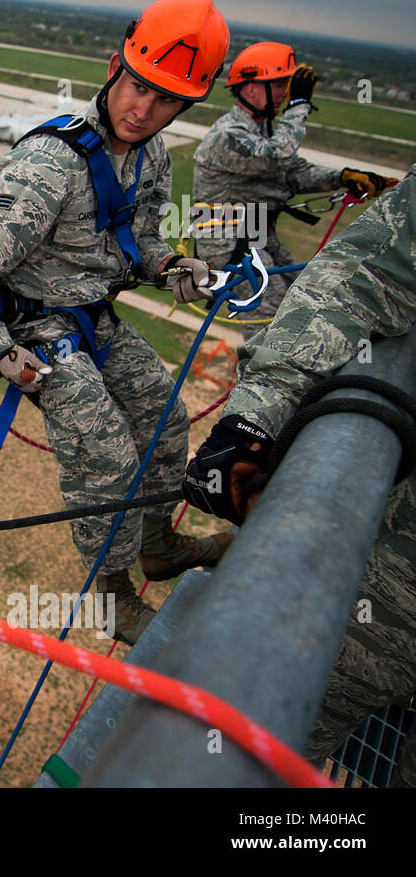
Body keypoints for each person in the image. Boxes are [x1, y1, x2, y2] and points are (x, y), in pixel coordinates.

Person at [0, 0, 234, 643]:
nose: (143, 109)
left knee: (166, 421)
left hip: (92, 321)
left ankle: (158, 547)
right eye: (138, 87)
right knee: (105, 453)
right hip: (32, 332)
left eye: (166, 101)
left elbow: (145, 242)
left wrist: (169, 269)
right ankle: (110, 592)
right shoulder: (50, 163)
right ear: (114, 68)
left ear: (183, 107)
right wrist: (0, 350)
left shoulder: (153, 157)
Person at [184, 165, 416, 784]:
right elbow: (366, 272)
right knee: (249, 748)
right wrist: (251, 423)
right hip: (398, 574)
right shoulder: (232, 140)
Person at [191, 42, 397, 338]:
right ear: (250, 89)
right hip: (226, 241)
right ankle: (260, 380)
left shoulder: (260, 131)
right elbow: (277, 155)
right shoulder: (228, 136)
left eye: (287, 87)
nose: (284, 94)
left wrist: (344, 177)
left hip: (255, 236)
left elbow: (293, 173)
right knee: (270, 324)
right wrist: (299, 107)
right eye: (278, 85)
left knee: (307, 294)